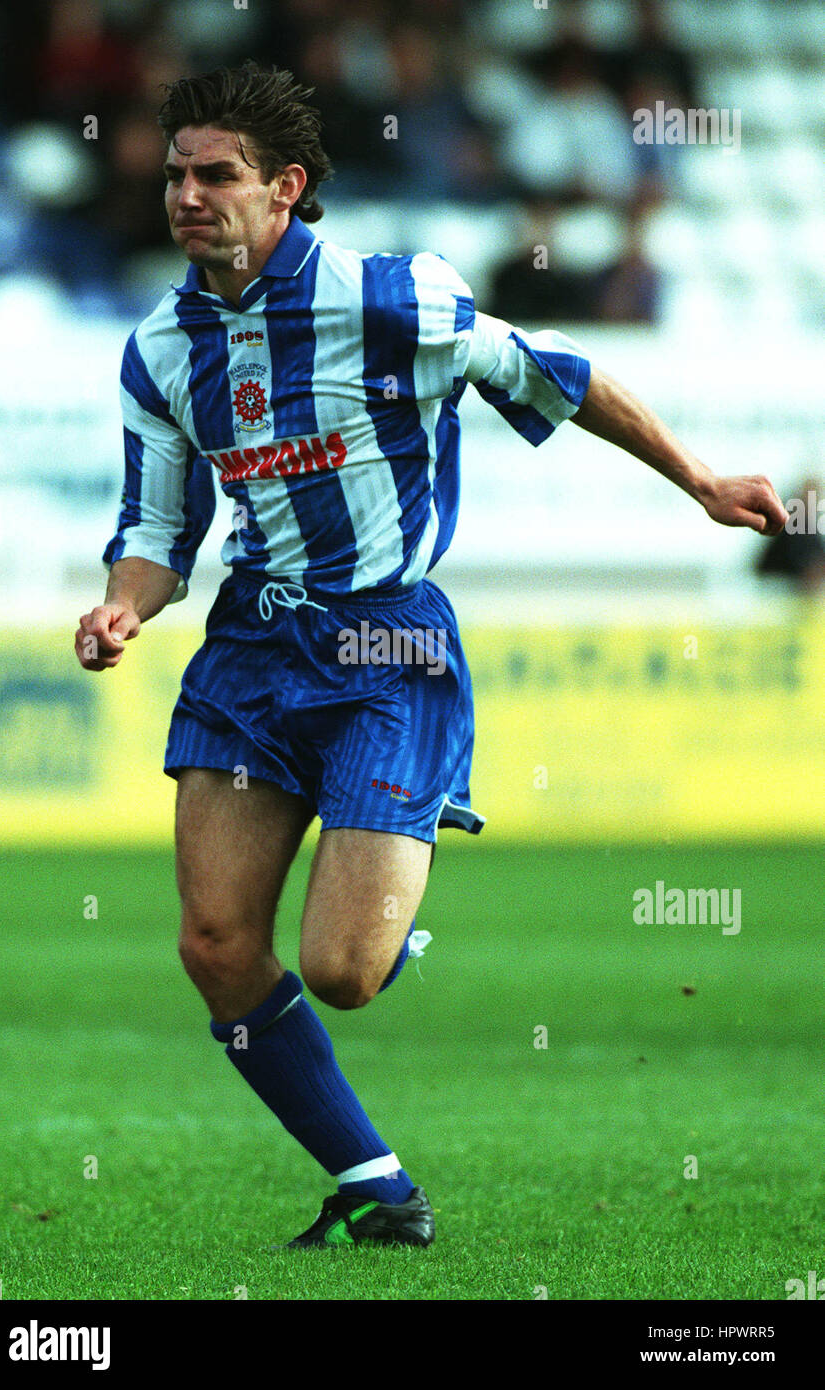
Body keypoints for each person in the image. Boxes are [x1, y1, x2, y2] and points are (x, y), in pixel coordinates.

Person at [74, 60, 787, 1249]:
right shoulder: (159, 349)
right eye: (176, 173)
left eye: (218, 175)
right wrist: (122, 607)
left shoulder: (392, 299)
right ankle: (373, 1184)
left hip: (384, 645)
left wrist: (700, 480)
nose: (187, 194)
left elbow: (561, 374)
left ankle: (393, 902)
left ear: (284, 188)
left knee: (344, 971)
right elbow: (156, 532)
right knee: (213, 946)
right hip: (250, 651)